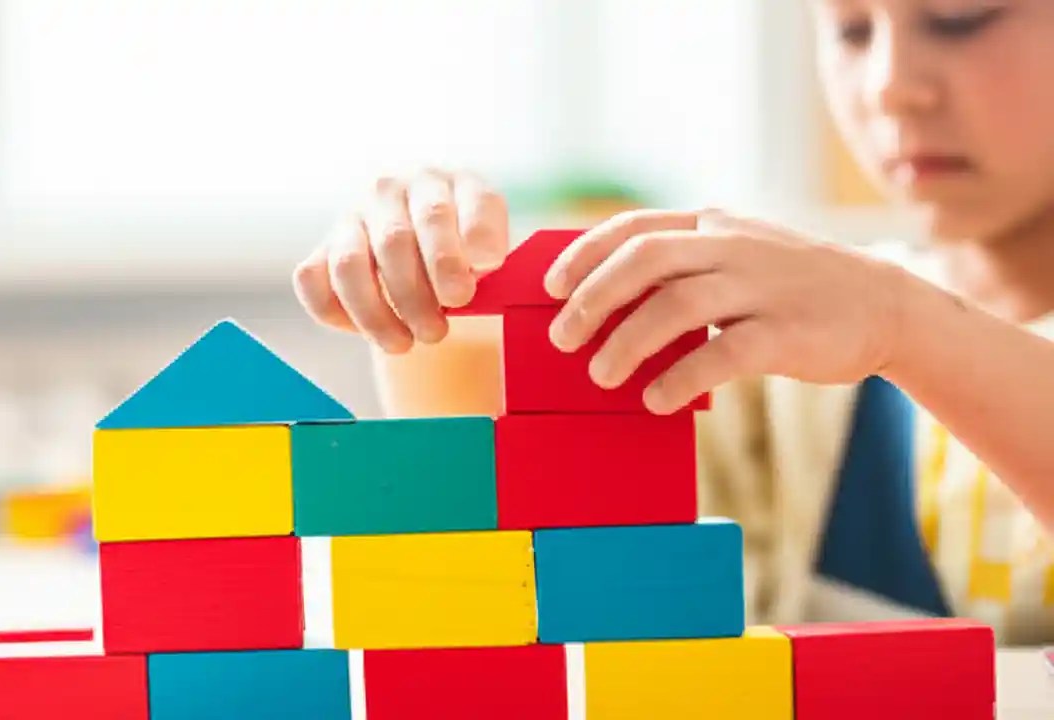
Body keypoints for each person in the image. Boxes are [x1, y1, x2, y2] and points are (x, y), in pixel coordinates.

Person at [291, 0, 1054, 644]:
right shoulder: (786, 364)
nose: (891, 89)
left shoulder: (862, 314)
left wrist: (905, 323)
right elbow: (569, 590)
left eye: (962, 19)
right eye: (851, 31)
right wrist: (442, 304)